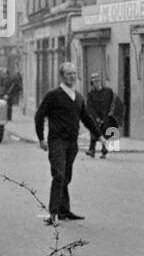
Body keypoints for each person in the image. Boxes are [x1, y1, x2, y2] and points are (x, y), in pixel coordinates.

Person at [34, 62, 103, 225]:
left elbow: (86, 118)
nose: (72, 77)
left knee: (66, 176)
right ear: (62, 76)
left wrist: (100, 137)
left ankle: (64, 211)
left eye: (74, 74)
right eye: (68, 74)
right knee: (59, 175)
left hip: (72, 142)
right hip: (57, 140)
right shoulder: (53, 95)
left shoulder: (78, 97)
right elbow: (39, 116)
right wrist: (41, 138)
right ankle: (53, 213)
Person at [86, 73, 124, 158]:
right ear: (92, 83)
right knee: (94, 132)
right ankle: (92, 150)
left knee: (105, 133)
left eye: (98, 81)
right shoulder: (91, 94)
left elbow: (114, 101)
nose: (97, 83)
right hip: (96, 117)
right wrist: (96, 117)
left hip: (107, 116)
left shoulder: (108, 91)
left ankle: (104, 150)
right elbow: (89, 107)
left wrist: (112, 113)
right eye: (95, 81)